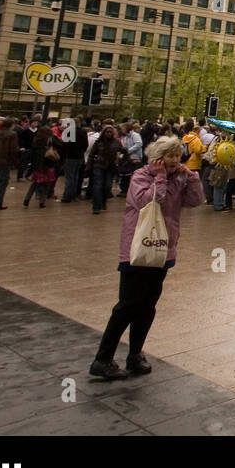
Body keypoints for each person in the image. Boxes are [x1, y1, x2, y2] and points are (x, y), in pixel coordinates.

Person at [89, 135, 204, 380]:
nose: (174, 160)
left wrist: (191, 176)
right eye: (169, 155)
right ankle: (103, 358)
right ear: (156, 158)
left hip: (163, 247)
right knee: (126, 306)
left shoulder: (179, 177)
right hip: (137, 249)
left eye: (176, 155)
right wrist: (160, 178)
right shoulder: (141, 176)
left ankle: (135, 354)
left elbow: (196, 201)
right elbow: (148, 201)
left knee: (147, 306)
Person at [87, 125, 123, 216]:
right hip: (99, 165)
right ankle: (96, 206)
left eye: (111, 132)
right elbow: (92, 154)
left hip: (110, 167)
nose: (109, 134)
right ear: (104, 132)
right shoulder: (98, 142)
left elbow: (123, 151)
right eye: (107, 132)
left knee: (107, 186)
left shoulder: (116, 142)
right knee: (97, 185)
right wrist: (88, 166)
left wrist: (122, 158)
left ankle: (103, 201)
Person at [24, 123, 59, 208]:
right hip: (47, 163)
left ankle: (26, 199)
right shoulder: (50, 139)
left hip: (37, 164)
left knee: (35, 183)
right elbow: (60, 144)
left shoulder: (36, 139)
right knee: (46, 184)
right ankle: (42, 202)